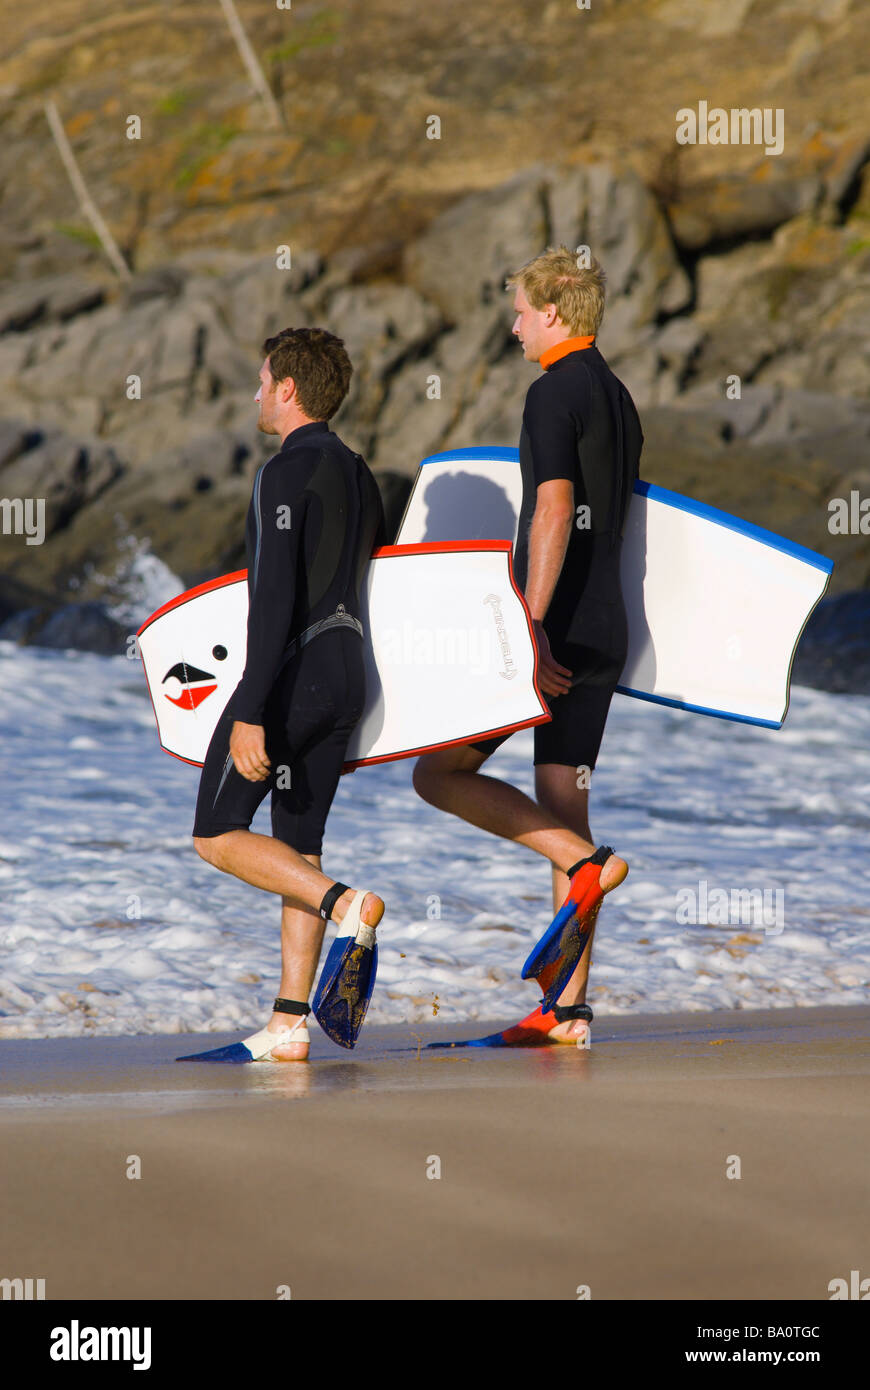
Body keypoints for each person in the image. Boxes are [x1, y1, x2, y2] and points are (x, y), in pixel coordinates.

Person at [413, 246, 642, 1045]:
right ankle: (566, 1010)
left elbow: (552, 509)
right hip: (608, 625)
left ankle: (588, 868)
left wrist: (528, 624)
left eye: (519, 310)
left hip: (555, 628)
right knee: (563, 804)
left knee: (437, 773)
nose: (513, 326)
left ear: (551, 313)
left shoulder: (553, 393)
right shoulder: (616, 395)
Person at [192, 327, 387, 1061]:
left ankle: (347, 904)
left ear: (288, 391)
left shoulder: (284, 473)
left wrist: (248, 711)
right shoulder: (361, 473)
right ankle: (288, 1023)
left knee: (215, 834)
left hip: (294, 675)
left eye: (263, 381)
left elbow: (272, 602)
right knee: (297, 845)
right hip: (348, 677)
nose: (255, 395)